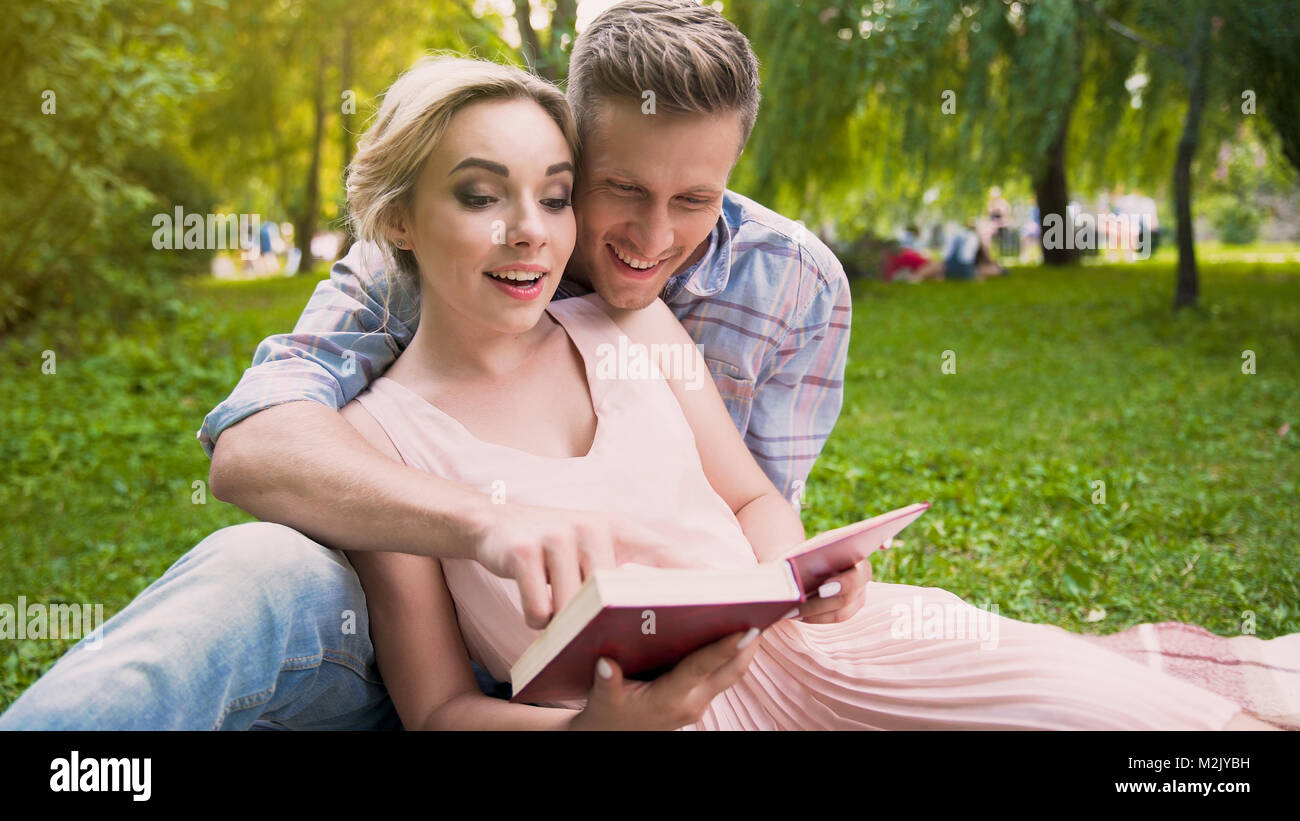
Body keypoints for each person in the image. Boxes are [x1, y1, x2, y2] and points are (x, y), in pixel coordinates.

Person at [323, 56, 1277, 729]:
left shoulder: (628, 327)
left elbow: (750, 497)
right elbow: (441, 709)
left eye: (557, 194)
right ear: (399, 216)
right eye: (482, 196)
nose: (531, 231)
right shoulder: (371, 453)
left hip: (829, 659)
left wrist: (804, 574)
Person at [0, 1, 853, 730]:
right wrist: (484, 524)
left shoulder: (793, 286)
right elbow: (254, 446)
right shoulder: (398, 275)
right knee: (257, 565)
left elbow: (759, 516)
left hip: (683, 677)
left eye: (695, 199)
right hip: (423, 651)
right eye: (618, 188)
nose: (654, 237)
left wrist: (801, 581)